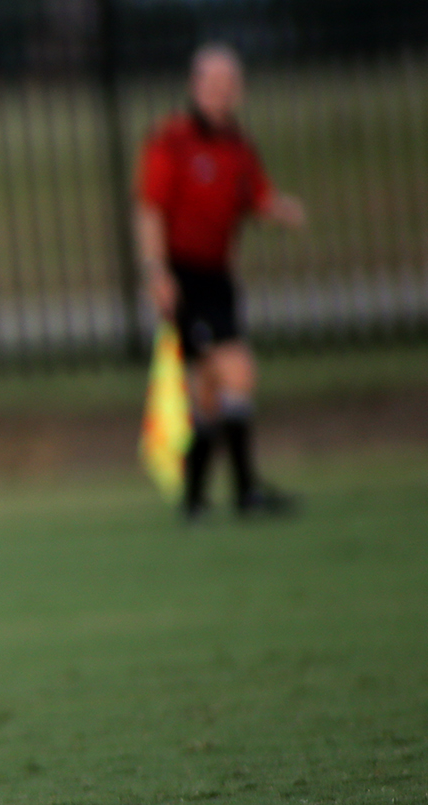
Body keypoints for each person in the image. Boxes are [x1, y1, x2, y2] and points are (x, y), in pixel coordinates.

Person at [135, 42, 307, 521]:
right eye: (212, 84)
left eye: (229, 84)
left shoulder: (237, 147)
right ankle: (246, 491)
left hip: (218, 277)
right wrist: (157, 272)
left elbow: (257, 197)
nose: (220, 93)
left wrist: (282, 210)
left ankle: (194, 501)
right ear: (195, 86)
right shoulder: (172, 140)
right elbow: (150, 208)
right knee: (237, 371)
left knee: (210, 392)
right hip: (183, 275)